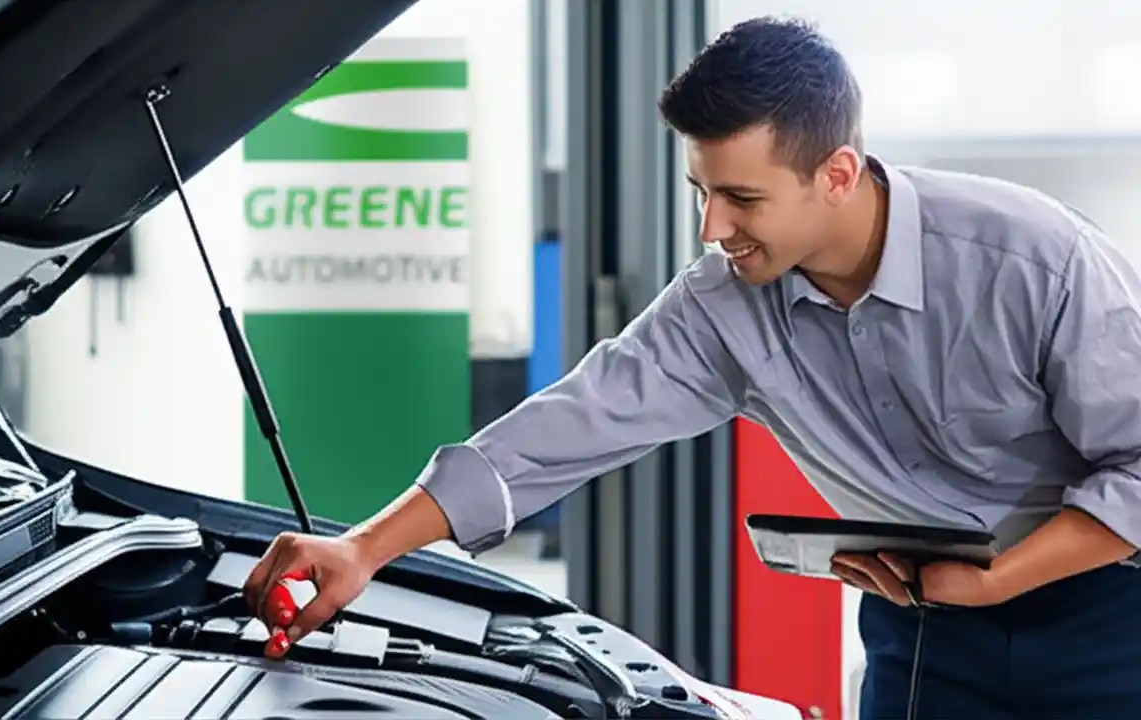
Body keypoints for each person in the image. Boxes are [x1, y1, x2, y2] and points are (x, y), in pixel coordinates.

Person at [244, 15, 1141, 718]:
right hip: (924, 632)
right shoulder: (724, 304)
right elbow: (562, 427)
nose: (711, 229)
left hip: (1109, 619)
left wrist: (1002, 579)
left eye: (743, 198)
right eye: (700, 192)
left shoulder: (1032, 260)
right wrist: (363, 546)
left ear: (836, 173)